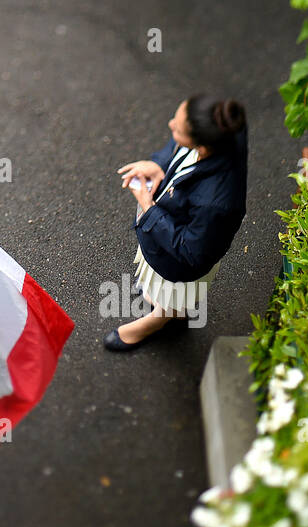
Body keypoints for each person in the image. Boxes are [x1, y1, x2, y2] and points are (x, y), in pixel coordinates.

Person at [106, 95, 248, 351]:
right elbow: (177, 148)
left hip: (178, 259)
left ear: (202, 147)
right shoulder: (224, 126)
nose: (171, 124)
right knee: (163, 288)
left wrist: (149, 209)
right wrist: (159, 164)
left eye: (178, 128)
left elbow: (190, 252)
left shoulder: (216, 204)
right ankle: (169, 310)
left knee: (173, 291)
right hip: (170, 238)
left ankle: (160, 320)